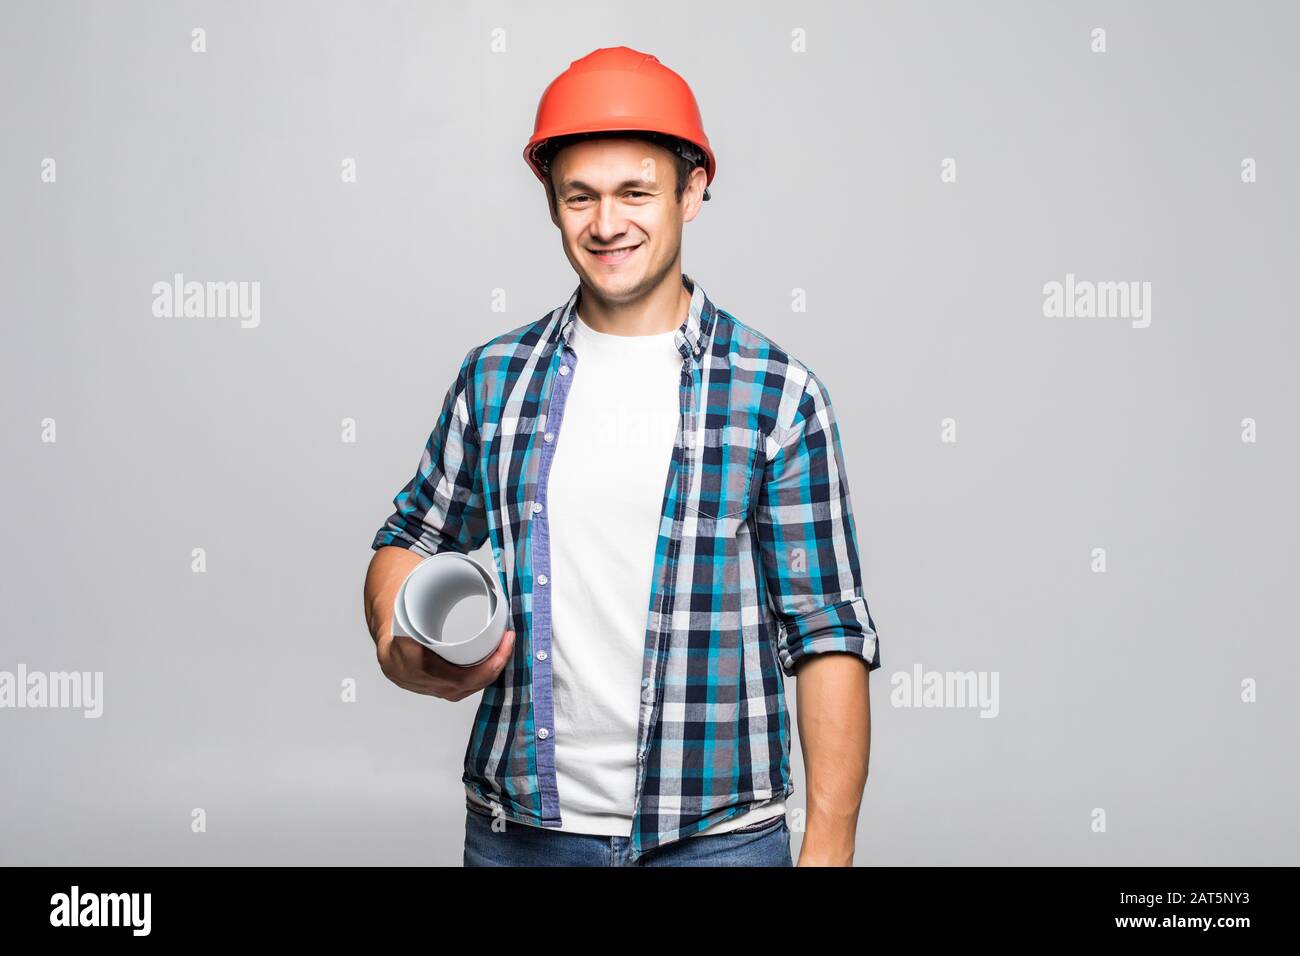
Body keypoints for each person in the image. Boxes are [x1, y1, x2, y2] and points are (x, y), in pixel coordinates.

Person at [362, 46, 881, 867]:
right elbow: (410, 536)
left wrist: (828, 849)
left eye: (636, 192)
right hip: (520, 837)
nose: (607, 225)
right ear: (552, 202)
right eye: (582, 197)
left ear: (693, 190)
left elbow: (826, 635)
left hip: (718, 842)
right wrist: (398, 643)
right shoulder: (495, 378)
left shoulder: (777, 395)